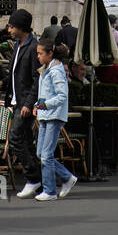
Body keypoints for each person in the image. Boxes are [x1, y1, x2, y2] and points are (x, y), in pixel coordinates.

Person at [0, 8, 42, 197]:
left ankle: (32, 177)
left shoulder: (32, 48)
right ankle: (39, 179)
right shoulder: (19, 45)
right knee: (26, 141)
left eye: (12, 26)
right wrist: (3, 83)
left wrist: (28, 104)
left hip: (24, 103)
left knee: (15, 139)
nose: (9, 29)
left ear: (21, 27)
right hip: (16, 101)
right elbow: (15, 74)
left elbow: (36, 79)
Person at [33, 35, 77, 201]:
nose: (38, 56)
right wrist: (37, 105)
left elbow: (61, 95)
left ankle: (50, 190)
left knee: (45, 154)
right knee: (42, 153)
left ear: (50, 54)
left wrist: (43, 105)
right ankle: (66, 177)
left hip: (53, 115)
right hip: (46, 115)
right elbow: (45, 94)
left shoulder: (55, 71)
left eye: (40, 53)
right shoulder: (48, 69)